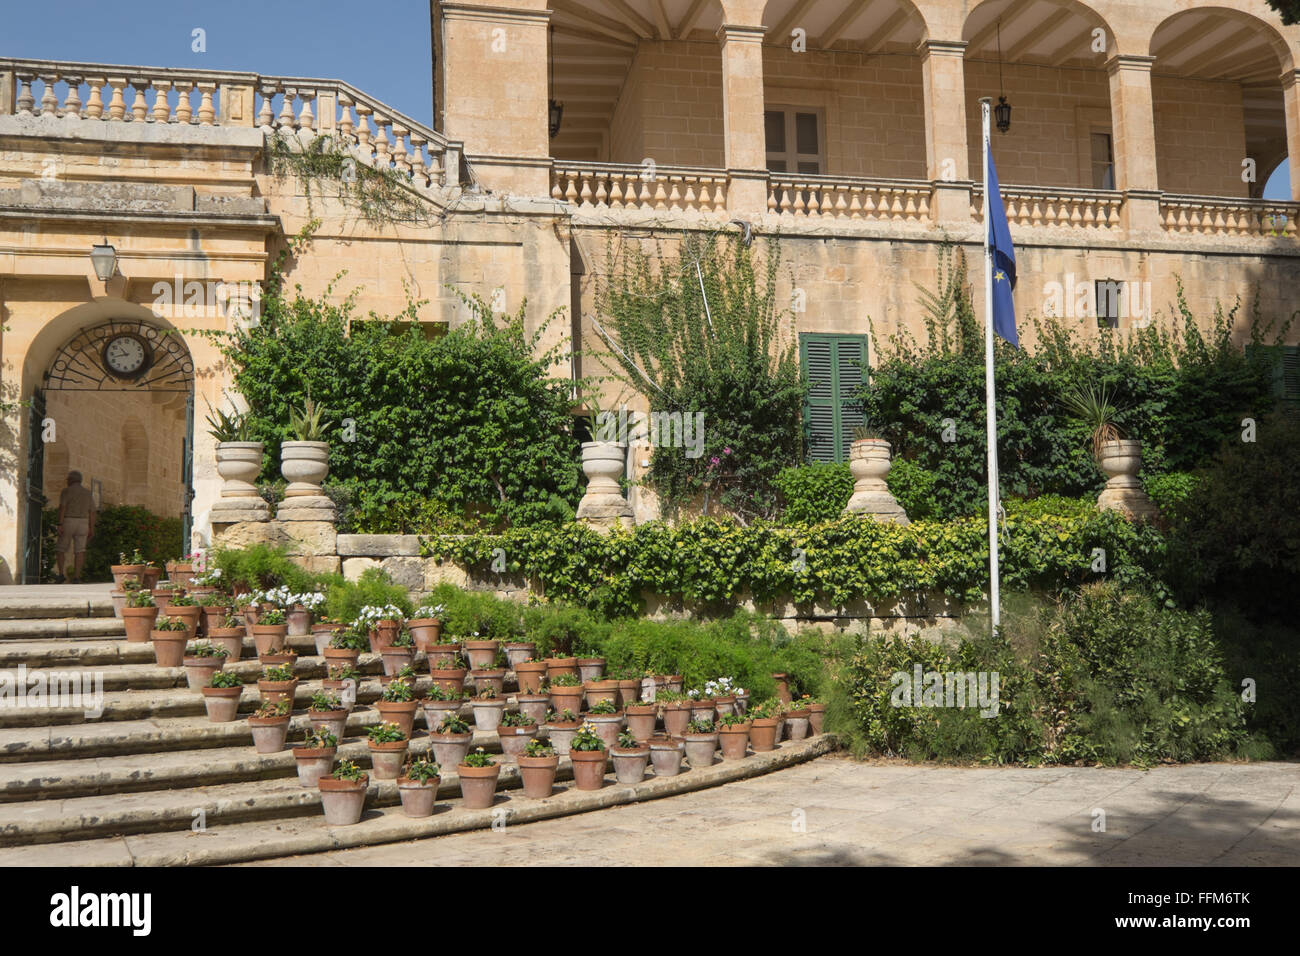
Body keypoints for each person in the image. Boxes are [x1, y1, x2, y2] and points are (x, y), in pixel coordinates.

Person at [55, 471, 96, 583]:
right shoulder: (88, 493)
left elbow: (62, 507)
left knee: (61, 549)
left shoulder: (66, 491)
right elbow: (92, 511)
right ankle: (77, 577)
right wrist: (91, 527)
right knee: (80, 550)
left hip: (69, 520)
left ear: (71, 480)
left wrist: (60, 523)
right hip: (83, 522)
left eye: (67, 479)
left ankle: (61, 574)